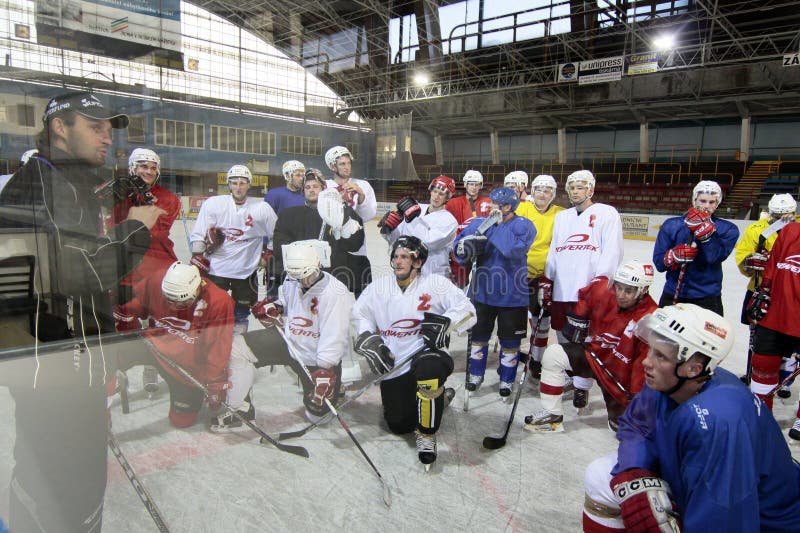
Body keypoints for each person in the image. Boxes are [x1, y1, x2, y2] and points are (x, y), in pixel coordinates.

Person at [0, 91, 162, 533]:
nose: (107, 138)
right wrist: (136, 228)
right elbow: (76, 272)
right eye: (95, 128)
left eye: (109, 129)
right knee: (67, 486)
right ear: (59, 127)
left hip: (67, 368)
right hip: (55, 377)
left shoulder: (62, 182)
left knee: (62, 478)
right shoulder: (42, 185)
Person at [582, 304, 800, 533]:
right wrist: (636, 472)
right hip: (700, 486)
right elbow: (636, 426)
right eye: (651, 349)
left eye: (660, 356)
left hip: (765, 523)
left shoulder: (720, 422)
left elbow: (724, 515)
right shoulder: (670, 381)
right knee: (600, 475)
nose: (647, 361)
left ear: (694, 368)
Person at [353, 236, 476, 468]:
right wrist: (370, 339)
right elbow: (360, 313)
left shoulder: (435, 284)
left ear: (418, 262)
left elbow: (468, 310)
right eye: (395, 257)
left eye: (404, 257)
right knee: (399, 425)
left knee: (430, 373)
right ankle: (440, 399)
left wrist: (447, 322)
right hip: (395, 365)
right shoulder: (379, 287)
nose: (398, 261)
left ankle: (427, 435)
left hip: (426, 354)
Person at [223, 240, 353, 428]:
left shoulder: (335, 293)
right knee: (236, 347)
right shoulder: (293, 278)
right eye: (296, 276)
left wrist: (325, 370)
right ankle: (239, 408)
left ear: (317, 265)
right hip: (289, 341)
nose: (302, 282)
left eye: (305, 275)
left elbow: (335, 336)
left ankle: (336, 385)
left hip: (314, 357)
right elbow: (287, 301)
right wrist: (274, 306)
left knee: (318, 418)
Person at [523, 260, 658, 433]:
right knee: (554, 354)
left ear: (643, 290)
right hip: (594, 357)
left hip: (619, 378)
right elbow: (587, 294)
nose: (621, 294)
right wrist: (578, 317)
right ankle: (552, 415)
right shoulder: (604, 290)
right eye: (619, 287)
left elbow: (642, 369)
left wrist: (635, 399)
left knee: (623, 430)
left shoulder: (650, 320)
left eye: (629, 291)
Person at [114, 261, 235, 428]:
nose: (173, 307)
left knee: (182, 421)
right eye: (168, 300)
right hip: (152, 345)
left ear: (196, 290)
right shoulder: (157, 279)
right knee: (108, 359)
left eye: (181, 303)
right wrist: (126, 318)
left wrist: (214, 382)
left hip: (186, 367)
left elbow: (218, 348)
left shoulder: (219, 302)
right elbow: (135, 304)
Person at [453, 187, 537, 397]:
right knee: (478, 337)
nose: (491, 206)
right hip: (482, 292)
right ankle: (475, 374)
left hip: (513, 295)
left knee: (510, 342)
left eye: (496, 203)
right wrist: (463, 250)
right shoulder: (479, 223)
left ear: (509, 206)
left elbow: (513, 250)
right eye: (491, 202)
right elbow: (459, 247)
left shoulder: (524, 225)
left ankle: (506, 380)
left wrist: (496, 226)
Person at [113, 147, 181, 394]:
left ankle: (152, 368)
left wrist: (139, 205)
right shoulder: (118, 193)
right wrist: (120, 201)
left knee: (158, 321)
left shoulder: (168, 197)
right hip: (126, 265)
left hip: (157, 265)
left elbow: (155, 231)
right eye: (143, 166)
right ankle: (119, 367)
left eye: (153, 168)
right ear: (133, 168)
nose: (149, 171)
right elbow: (112, 228)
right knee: (123, 322)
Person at [189, 164, 277, 333]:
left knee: (241, 314)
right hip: (216, 269)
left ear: (249, 185)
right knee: (212, 310)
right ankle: (213, 340)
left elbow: (276, 233)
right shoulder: (214, 204)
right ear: (228, 184)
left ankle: (238, 341)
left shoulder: (262, 208)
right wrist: (198, 256)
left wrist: (267, 255)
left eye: (242, 183)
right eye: (234, 183)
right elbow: (199, 233)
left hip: (246, 271)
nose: (238, 187)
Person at [541, 170, 623, 347]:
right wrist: (548, 278)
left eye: (580, 187)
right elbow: (555, 250)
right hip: (562, 290)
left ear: (590, 190)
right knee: (562, 336)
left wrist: (602, 279)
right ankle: (566, 365)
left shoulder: (607, 213)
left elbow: (613, 250)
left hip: (589, 292)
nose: (575, 191)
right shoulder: (562, 217)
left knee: (587, 341)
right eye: (571, 188)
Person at [734, 193, 797, 393]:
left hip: (791, 296)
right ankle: (754, 373)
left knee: (789, 342)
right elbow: (743, 258)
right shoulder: (756, 230)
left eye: (787, 215)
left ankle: (784, 380)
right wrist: (750, 262)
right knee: (758, 340)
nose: (782, 219)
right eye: (777, 216)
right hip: (761, 292)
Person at [746, 222, 800, 440]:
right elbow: (774, 262)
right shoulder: (790, 230)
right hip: (776, 312)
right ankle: (761, 414)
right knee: (763, 364)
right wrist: (764, 289)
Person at [652, 180, 739, 315]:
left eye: (712, 202)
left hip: (707, 297)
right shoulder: (672, 225)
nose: (706, 206)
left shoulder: (728, 229)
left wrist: (706, 235)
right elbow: (659, 264)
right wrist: (673, 255)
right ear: (694, 200)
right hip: (673, 293)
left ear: (717, 203)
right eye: (702, 201)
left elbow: (713, 257)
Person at [272, 168, 364, 293]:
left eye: (315, 186)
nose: (311, 190)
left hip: (332, 281)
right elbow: (280, 247)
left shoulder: (342, 212)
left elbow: (355, 245)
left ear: (323, 189)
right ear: (303, 191)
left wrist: (345, 223)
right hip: (301, 280)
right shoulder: (288, 216)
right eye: (307, 187)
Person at [514, 174, 565, 377]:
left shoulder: (560, 214)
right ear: (532, 191)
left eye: (547, 190)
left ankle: (536, 359)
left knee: (541, 322)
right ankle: (510, 356)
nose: (542, 194)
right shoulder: (522, 209)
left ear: (553, 194)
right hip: (517, 274)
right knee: (514, 320)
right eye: (538, 190)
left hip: (543, 277)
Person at [379, 175, 458, 278]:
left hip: (433, 276)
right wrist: (390, 230)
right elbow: (399, 240)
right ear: (430, 191)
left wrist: (413, 218)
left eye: (441, 194)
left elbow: (427, 243)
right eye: (435, 191)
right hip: (407, 274)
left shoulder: (449, 221)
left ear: (447, 197)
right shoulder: (416, 207)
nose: (436, 196)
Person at [325, 146, 376, 296]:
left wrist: (361, 195)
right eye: (342, 164)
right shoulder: (325, 186)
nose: (347, 167)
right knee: (332, 298)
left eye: (348, 163)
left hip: (357, 251)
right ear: (332, 166)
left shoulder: (363, 185)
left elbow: (368, 216)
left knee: (364, 298)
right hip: (332, 252)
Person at [445, 169, 492, 287]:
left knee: (479, 286)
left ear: (481, 186)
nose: (474, 187)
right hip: (459, 251)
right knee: (458, 286)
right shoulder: (453, 203)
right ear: (465, 184)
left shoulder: (487, 203)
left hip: (480, 252)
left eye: (477, 184)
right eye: (471, 184)